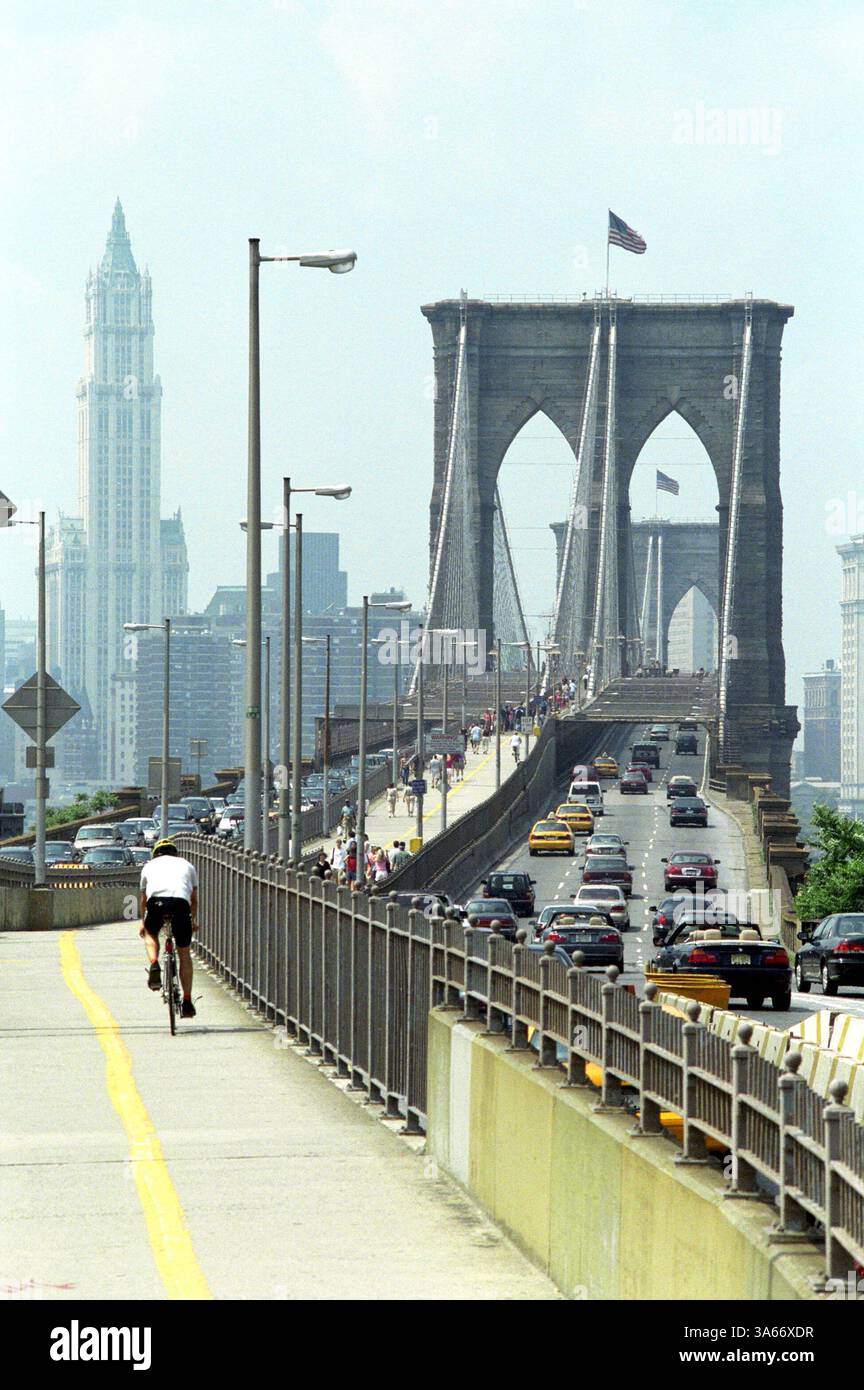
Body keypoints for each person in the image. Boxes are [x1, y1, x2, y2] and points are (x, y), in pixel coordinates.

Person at [139, 838, 199, 1019]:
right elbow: (194, 899)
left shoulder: (149, 866)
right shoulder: (187, 865)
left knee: (150, 933)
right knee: (184, 952)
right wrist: (192, 921)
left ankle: (154, 963)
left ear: (155, 853)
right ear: (175, 853)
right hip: (181, 904)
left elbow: (143, 900)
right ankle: (187, 1001)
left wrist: (143, 922)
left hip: (156, 903)